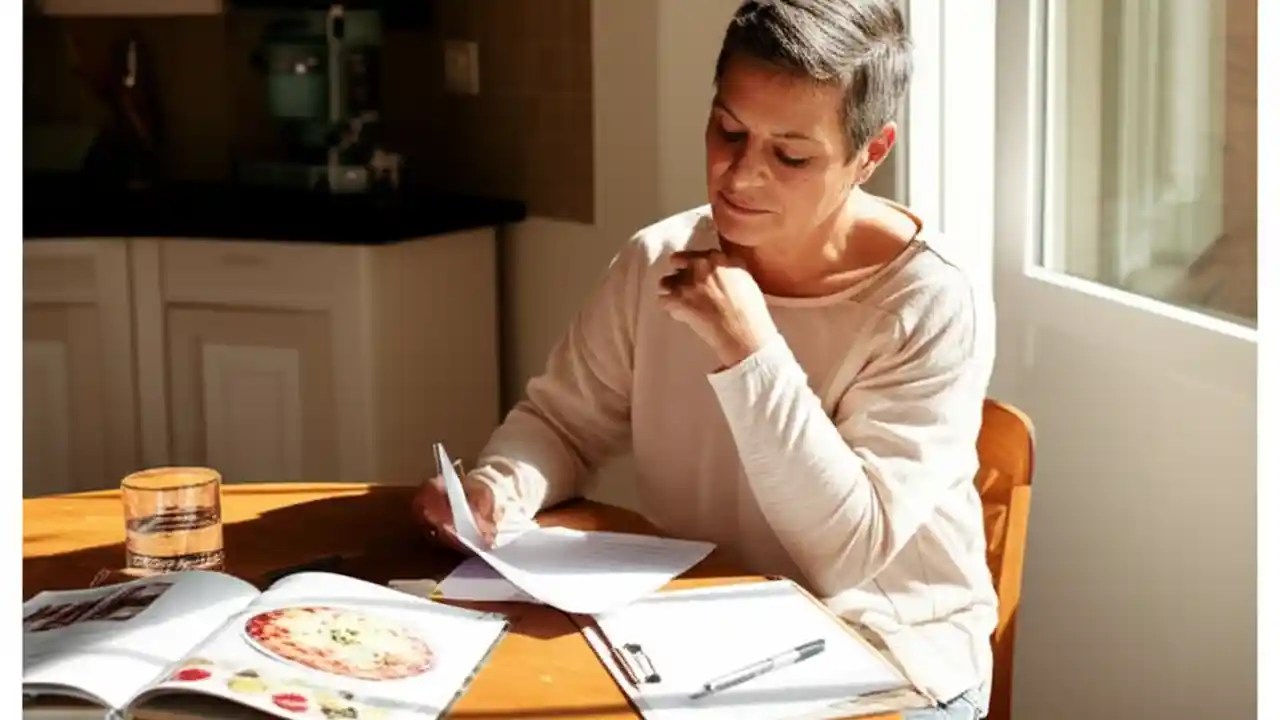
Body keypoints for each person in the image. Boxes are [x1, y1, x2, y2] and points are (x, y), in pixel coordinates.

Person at [413, 1, 996, 717]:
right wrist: (498, 490)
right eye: (729, 131)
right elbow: (563, 426)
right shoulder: (658, 259)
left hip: (890, 664)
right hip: (694, 636)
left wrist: (750, 348)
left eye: (789, 154)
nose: (741, 175)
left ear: (869, 155)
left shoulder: (930, 302)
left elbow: (844, 554)